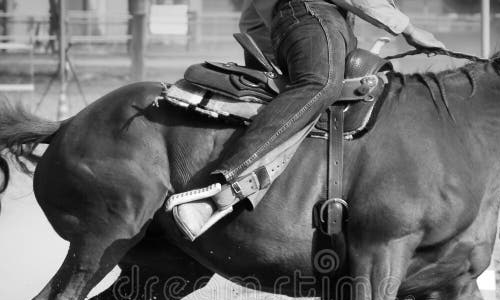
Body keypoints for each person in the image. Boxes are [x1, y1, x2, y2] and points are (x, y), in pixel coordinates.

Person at [167, 0, 444, 241]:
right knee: (320, 84)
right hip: (313, 16)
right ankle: (220, 191)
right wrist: (408, 28)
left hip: (307, 22)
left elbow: (253, 16)